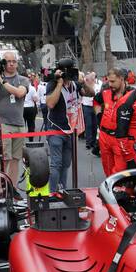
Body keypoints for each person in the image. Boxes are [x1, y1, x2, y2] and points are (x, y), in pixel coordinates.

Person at [45, 60, 87, 192]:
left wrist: (84, 81)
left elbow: (90, 93)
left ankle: (63, 191)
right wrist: (59, 83)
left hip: (70, 130)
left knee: (66, 164)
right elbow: (50, 104)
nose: (69, 73)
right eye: (66, 70)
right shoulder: (52, 83)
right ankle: (52, 193)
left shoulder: (75, 84)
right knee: (56, 164)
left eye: (71, 69)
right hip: (56, 129)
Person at [0, 51, 29, 189]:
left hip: (19, 123)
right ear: (3, 63)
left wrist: (2, 81)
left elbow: (19, 93)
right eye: (8, 61)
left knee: (15, 160)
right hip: (3, 124)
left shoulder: (23, 80)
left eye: (14, 61)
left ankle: (11, 190)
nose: (12, 64)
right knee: (4, 160)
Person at [94, 67, 129, 176]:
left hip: (120, 138)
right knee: (107, 168)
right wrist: (99, 115)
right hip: (104, 136)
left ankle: (118, 189)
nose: (110, 84)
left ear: (121, 79)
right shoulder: (105, 93)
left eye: (113, 81)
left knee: (119, 170)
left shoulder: (131, 95)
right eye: (108, 81)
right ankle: (109, 189)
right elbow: (96, 101)